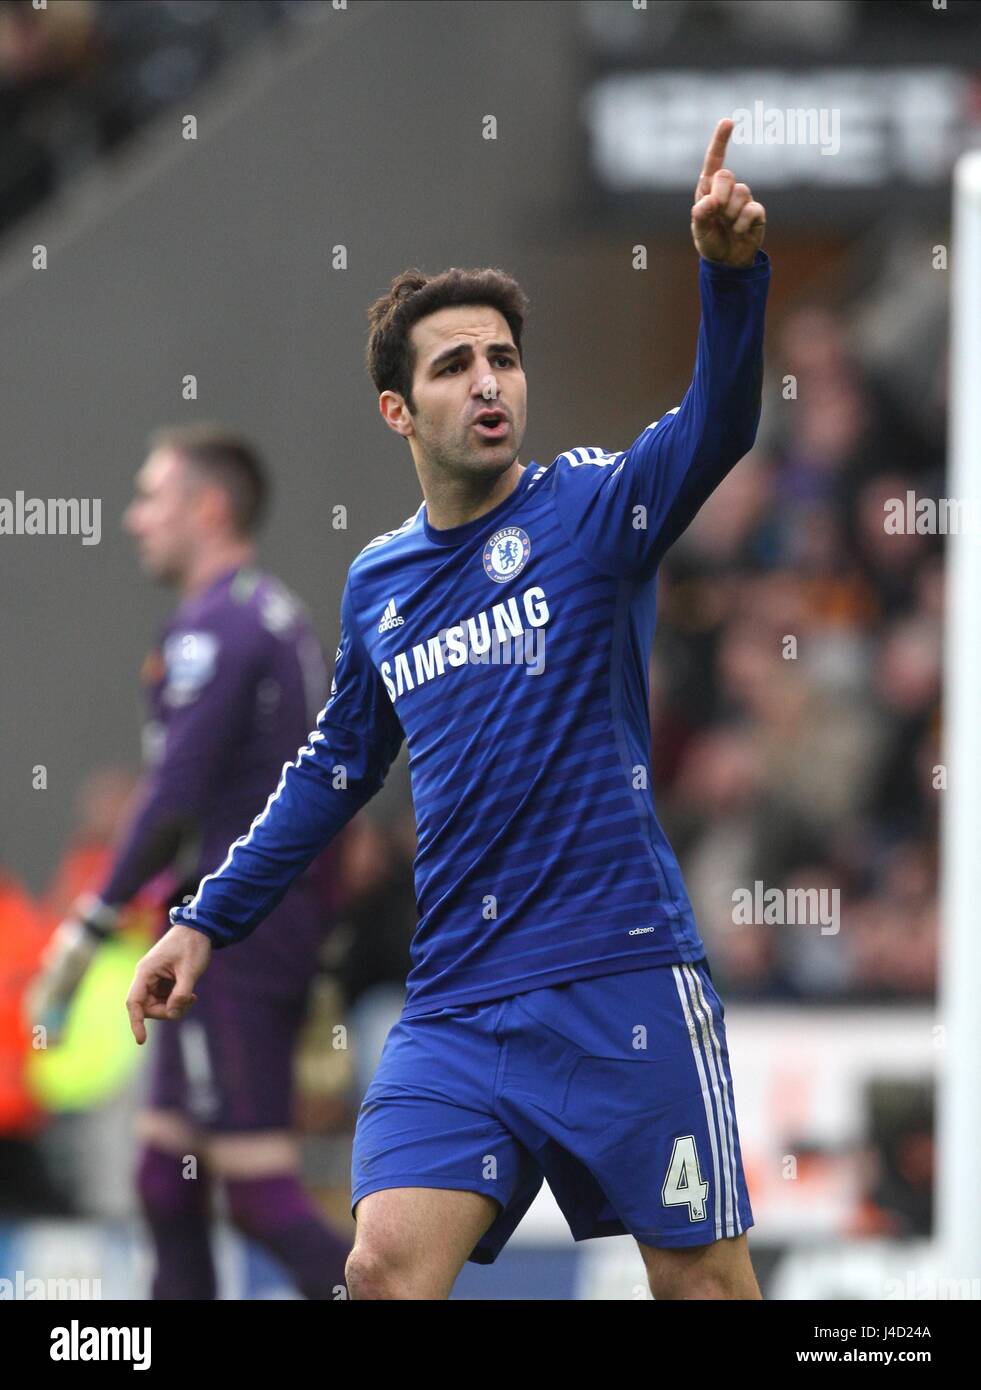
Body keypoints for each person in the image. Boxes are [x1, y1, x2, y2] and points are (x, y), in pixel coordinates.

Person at [126, 119, 769, 1300]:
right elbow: (331, 771)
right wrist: (206, 920)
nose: (488, 383)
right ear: (397, 412)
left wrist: (730, 278)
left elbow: (717, 426)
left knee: (703, 1285)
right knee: (378, 1271)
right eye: (454, 366)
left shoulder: (592, 511)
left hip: (619, 973)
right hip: (460, 994)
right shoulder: (380, 581)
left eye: (503, 360)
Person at [27, 426, 350, 1298]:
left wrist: (87, 927)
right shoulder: (265, 613)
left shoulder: (220, 629)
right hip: (233, 929)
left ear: (207, 509)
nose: (133, 520)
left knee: (254, 1190)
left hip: (229, 939)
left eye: (150, 497)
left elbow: (172, 797)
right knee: (164, 1180)